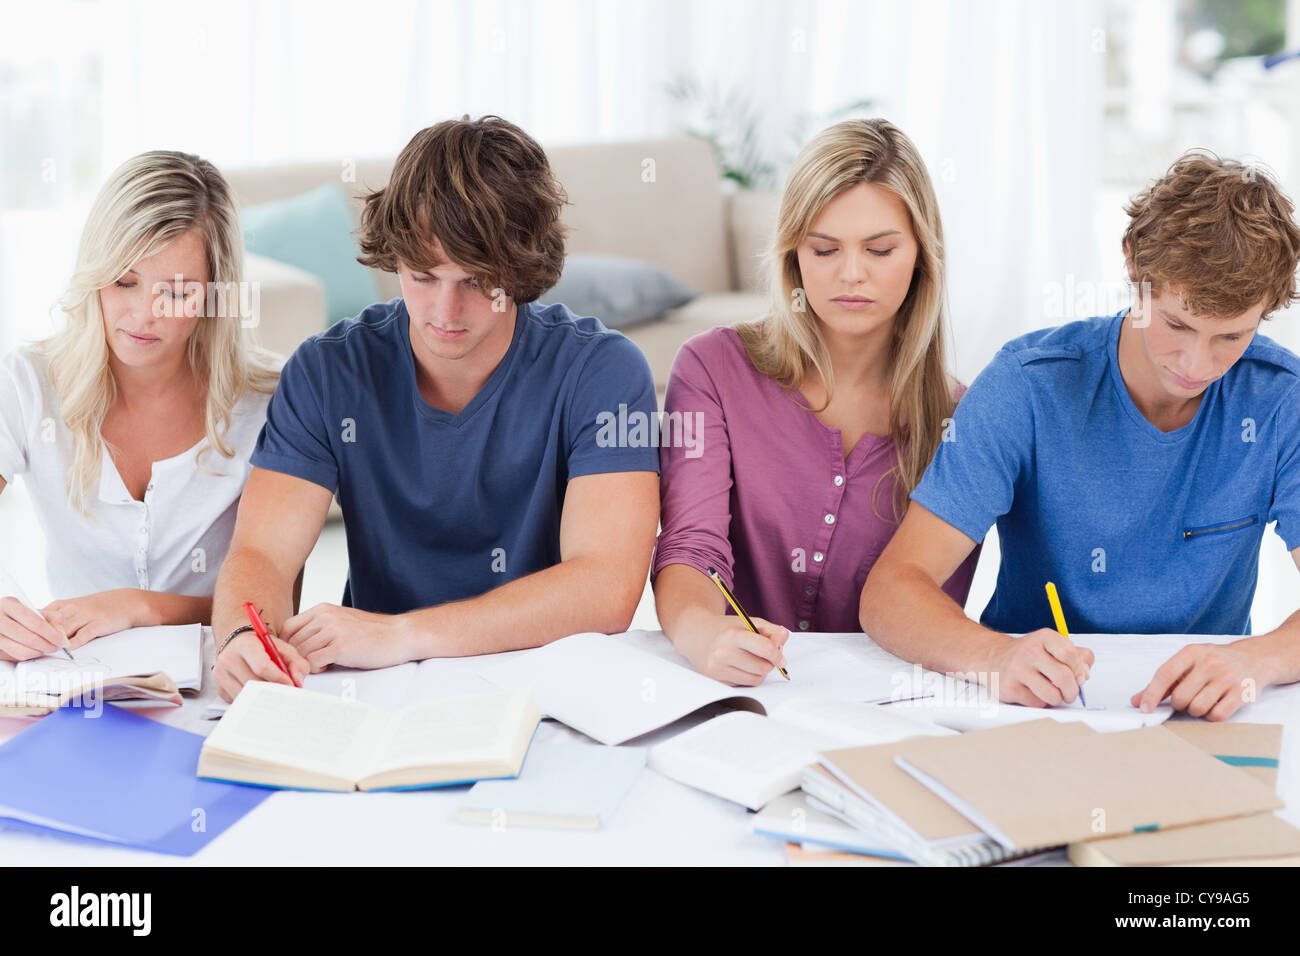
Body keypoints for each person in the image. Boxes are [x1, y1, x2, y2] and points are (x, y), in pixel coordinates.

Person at [211, 115, 660, 702]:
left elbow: (605, 589)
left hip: (544, 685)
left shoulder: (603, 371)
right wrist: (244, 637)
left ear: (522, 271)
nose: (445, 309)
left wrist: (405, 633)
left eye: (475, 280)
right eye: (423, 276)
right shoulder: (328, 372)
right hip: (376, 687)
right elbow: (261, 553)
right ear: (393, 258)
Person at [861, 150, 1300, 721]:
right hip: (1033, 708)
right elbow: (893, 590)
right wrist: (992, 655)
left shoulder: (1282, 400)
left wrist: (1260, 660)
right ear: (1132, 264)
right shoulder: (1028, 387)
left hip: (1199, 719)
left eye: (1231, 336)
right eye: (1176, 324)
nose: (1196, 363)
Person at [651, 118, 978, 686]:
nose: (851, 274)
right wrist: (704, 635)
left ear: (922, 256)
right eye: (824, 249)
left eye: (880, 249)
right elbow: (690, 543)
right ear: (792, 255)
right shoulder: (712, 369)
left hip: (898, 704)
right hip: (742, 697)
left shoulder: (963, 419)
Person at [0, 151, 280, 660]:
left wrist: (138, 607)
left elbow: (275, 605)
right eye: (124, 282)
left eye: (176, 292)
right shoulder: (28, 383)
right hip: (76, 683)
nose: (143, 315)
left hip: (220, 681)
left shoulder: (269, 402)